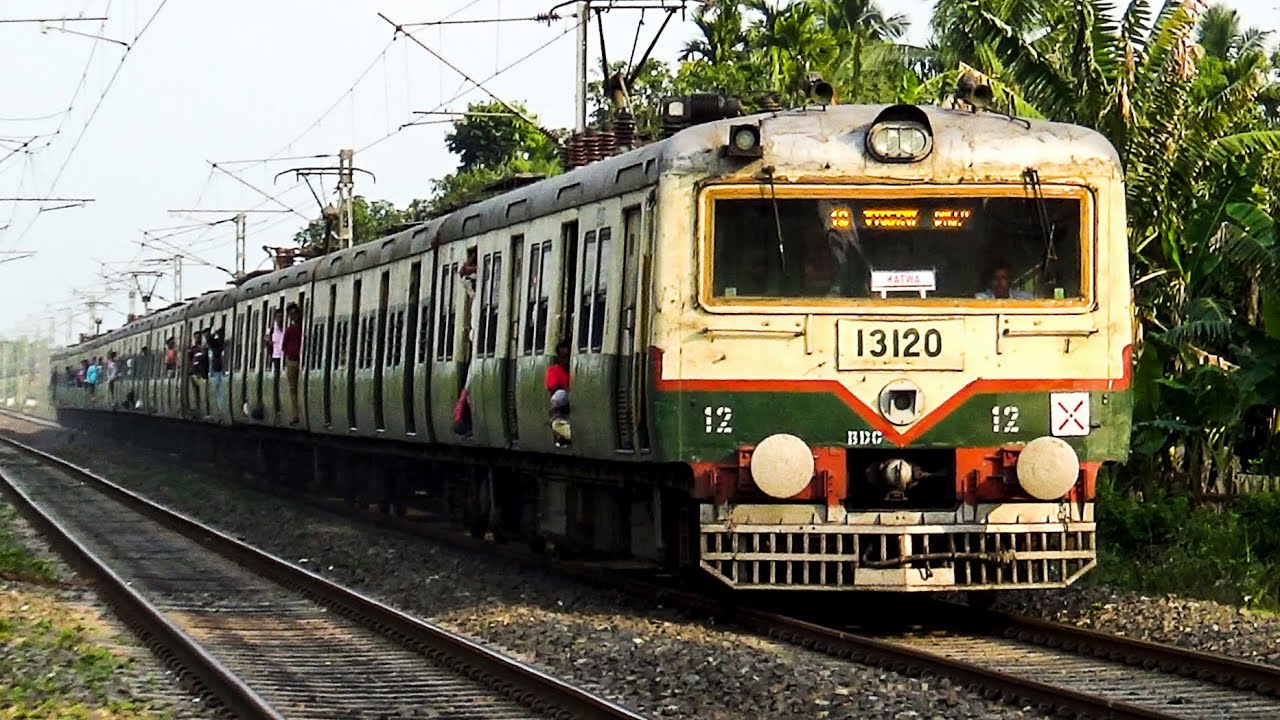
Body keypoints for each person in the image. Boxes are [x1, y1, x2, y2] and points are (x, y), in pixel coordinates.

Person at [546, 340, 571, 446]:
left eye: (567, 356)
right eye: (563, 356)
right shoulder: (553, 371)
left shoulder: (573, 371)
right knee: (560, 395)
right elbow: (553, 388)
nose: (565, 360)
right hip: (564, 404)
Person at [283, 303, 302, 425]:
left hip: (301, 360)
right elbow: (284, 345)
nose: (293, 316)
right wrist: (289, 354)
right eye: (291, 314)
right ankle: (295, 414)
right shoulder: (289, 330)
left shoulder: (302, 328)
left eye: (295, 313)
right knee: (293, 388)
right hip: (292, 361)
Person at [264, 308, 285, 414]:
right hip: (276, 356)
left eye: (281, 316)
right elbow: (266, 340)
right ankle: (277, 405)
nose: (280, 319)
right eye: (278, 317)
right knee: (277, 380)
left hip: (285, 356)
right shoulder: (271, 329)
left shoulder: (286, 327)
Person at [206, 326, 227, 413]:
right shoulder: (218, 343)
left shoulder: (216, 344)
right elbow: (209, 341)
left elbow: (209, 341)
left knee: (219, 388)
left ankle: (221, 407)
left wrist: (213, 334)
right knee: (219, 388)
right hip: (218, 369)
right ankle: (220, 407)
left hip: (218, 369)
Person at [188, 331, 207, 413]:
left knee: (203, 391)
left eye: (198, 337)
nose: (197, 339)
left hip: (202, 372)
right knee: (196, 391)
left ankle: (202, 407)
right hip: (194, 372)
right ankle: (197, 407)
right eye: (195, 337)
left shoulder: (203, 348)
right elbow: (189, 359)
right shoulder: (193, 349)